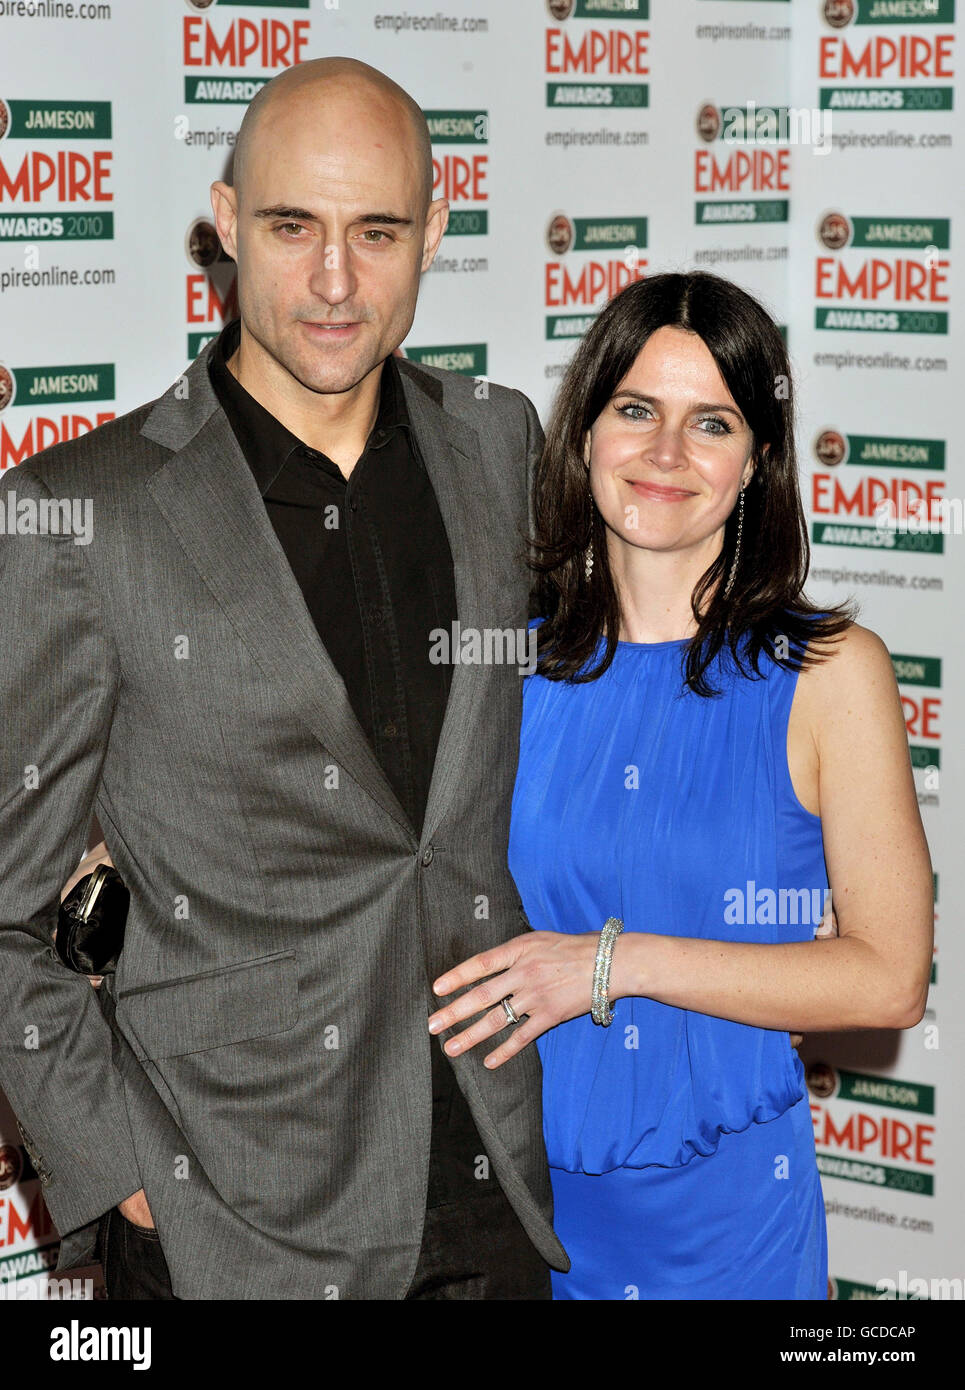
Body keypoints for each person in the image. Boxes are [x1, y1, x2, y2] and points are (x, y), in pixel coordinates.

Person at [0, 58, 566, 1299]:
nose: (331, 280)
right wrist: (128, 1173)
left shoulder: (494, 441)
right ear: (224, 222)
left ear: (436, 230)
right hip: (233, 1227)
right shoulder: (81, 516)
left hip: (489, 1192)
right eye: (291, 226)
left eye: (375, 232)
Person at [428, 271, 933, 1300]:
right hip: (517, 1209)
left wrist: (611, 964)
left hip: (724, 1228)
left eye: (710, 421)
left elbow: (887, 978)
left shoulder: (829, 672)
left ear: (753, 462)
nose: (664, 454)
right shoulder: (499, 667)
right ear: (582, 434)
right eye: (634, 411)